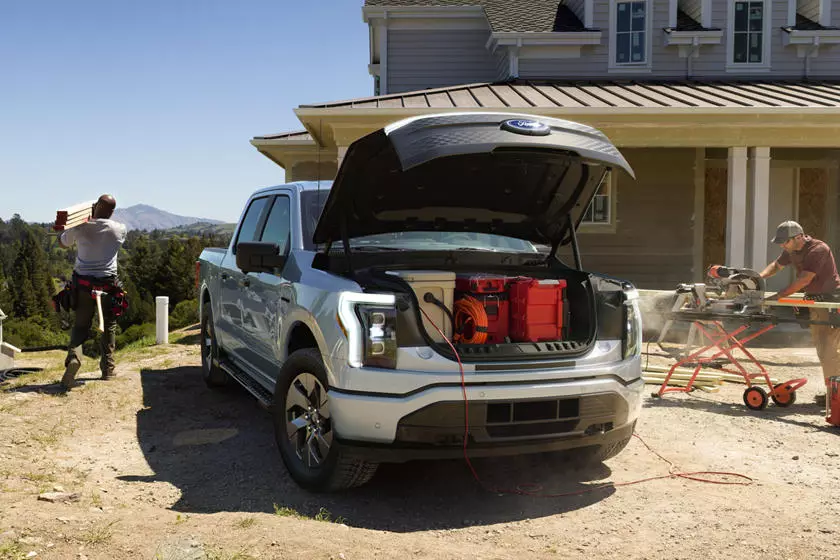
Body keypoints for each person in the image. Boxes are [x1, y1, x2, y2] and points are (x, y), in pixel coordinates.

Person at [760, 220, 840, 406]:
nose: (782, 246)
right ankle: (832, 392)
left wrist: (779, 296)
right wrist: (758, 277)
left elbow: (805, 279)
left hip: (830, 300)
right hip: (815, 300)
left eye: (784, 242)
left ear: (798, 237)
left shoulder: (818, 249)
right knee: (823, 349)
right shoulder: (792, 250)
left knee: (829, 350)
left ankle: (835, 396)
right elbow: (776, 265)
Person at [57, 194, 127, 392]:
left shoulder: (81, 227)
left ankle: (74, 358)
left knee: (80, 326)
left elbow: (63, 242)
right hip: (108, 286)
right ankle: (108, 370)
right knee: (109, 326)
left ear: (95, 207)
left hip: (84, 286)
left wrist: (82, 221)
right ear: (112, 212)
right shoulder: (119, 229)